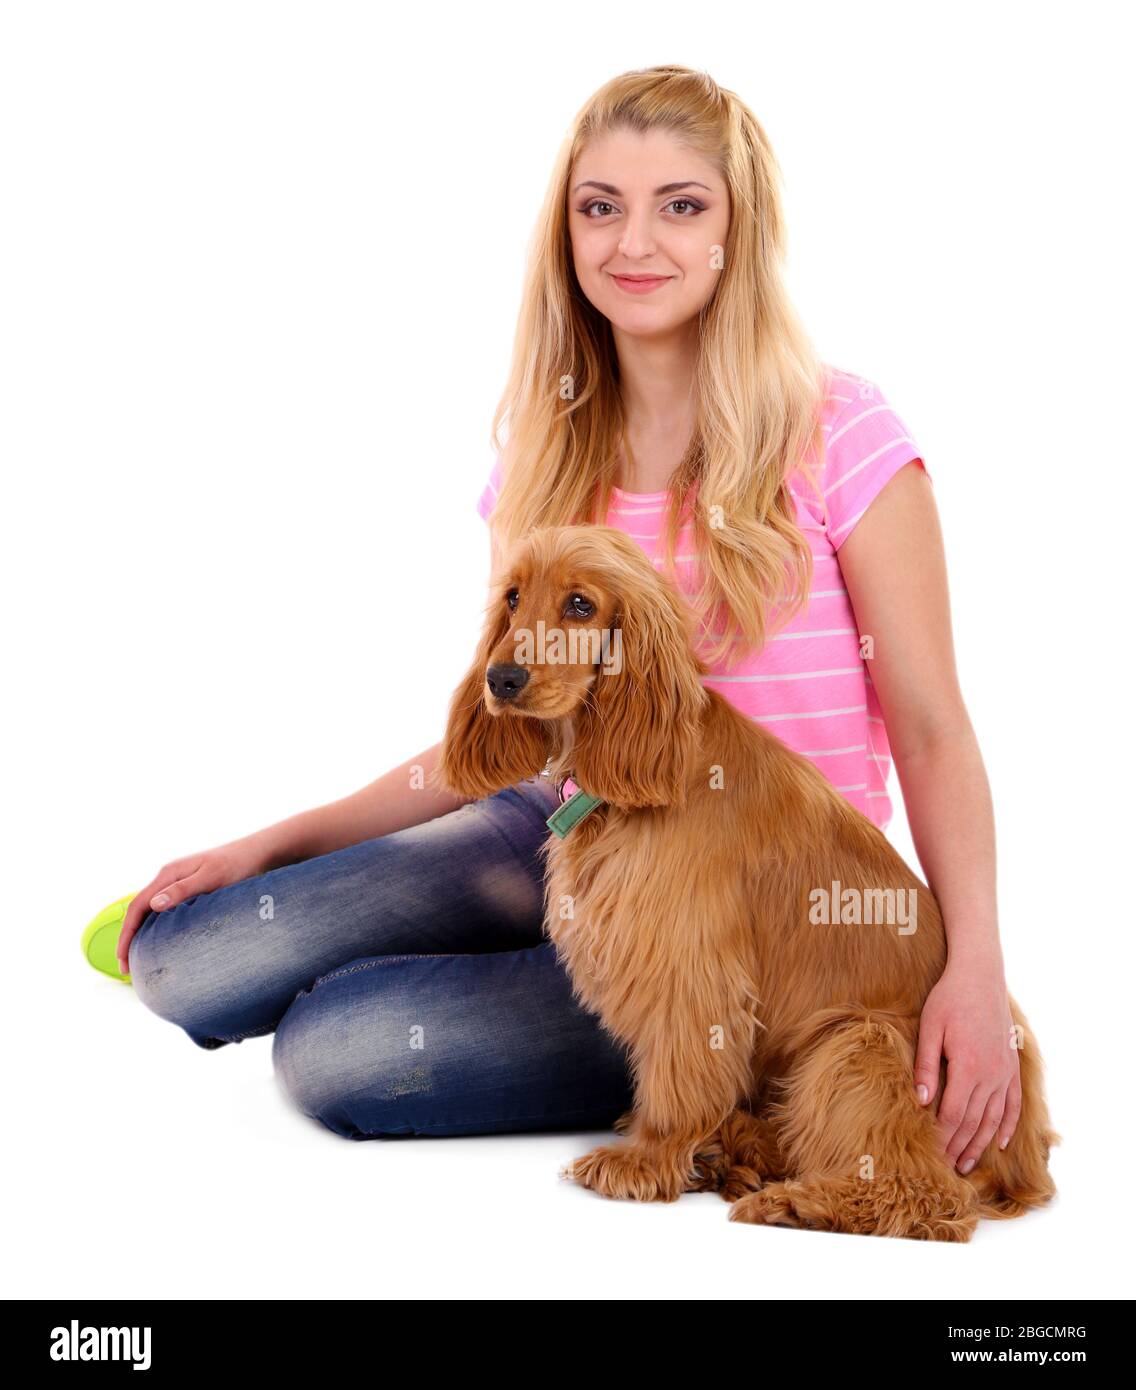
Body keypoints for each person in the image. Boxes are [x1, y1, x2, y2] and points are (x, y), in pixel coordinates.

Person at [86, 65, 1020, 1171]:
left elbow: (929, 728)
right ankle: (450, 944)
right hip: (556, 830)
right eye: (599, 207)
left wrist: (975, 970)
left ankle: (640, 1047)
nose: (634, 242)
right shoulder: (543, 451)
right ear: (565, 233)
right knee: (182, 960)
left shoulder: (839, 432)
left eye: (681, 205)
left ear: (737, 229)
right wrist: (273, 843)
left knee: (338, 1053)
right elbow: (511, 722)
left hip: (739, 913)